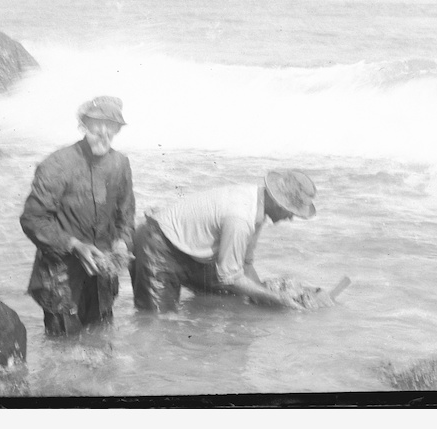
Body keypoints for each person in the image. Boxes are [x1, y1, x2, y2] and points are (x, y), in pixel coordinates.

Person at [20, 96, 136, 336]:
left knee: (101, 346)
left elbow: (125, 218)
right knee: (64, 354)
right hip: (61, 280)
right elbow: (32, 219)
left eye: (110, 126)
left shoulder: (120, 164)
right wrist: (73, 245)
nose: (103, 133)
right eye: (96, 125)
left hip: (102, 281)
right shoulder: (57, 165)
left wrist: (123, 244)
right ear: (84, 125)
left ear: (116, 130)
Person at [130, 169, 317, 312]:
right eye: (291, 212)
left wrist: (263, 296)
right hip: (156, 246)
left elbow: (245, 264)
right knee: (158, 323)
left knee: (230, 297)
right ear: (278, 203)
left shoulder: (255, 203)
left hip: (185, 250)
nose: (291, 218)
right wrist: (275, 297)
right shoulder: (241, 218)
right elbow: (230, 276)